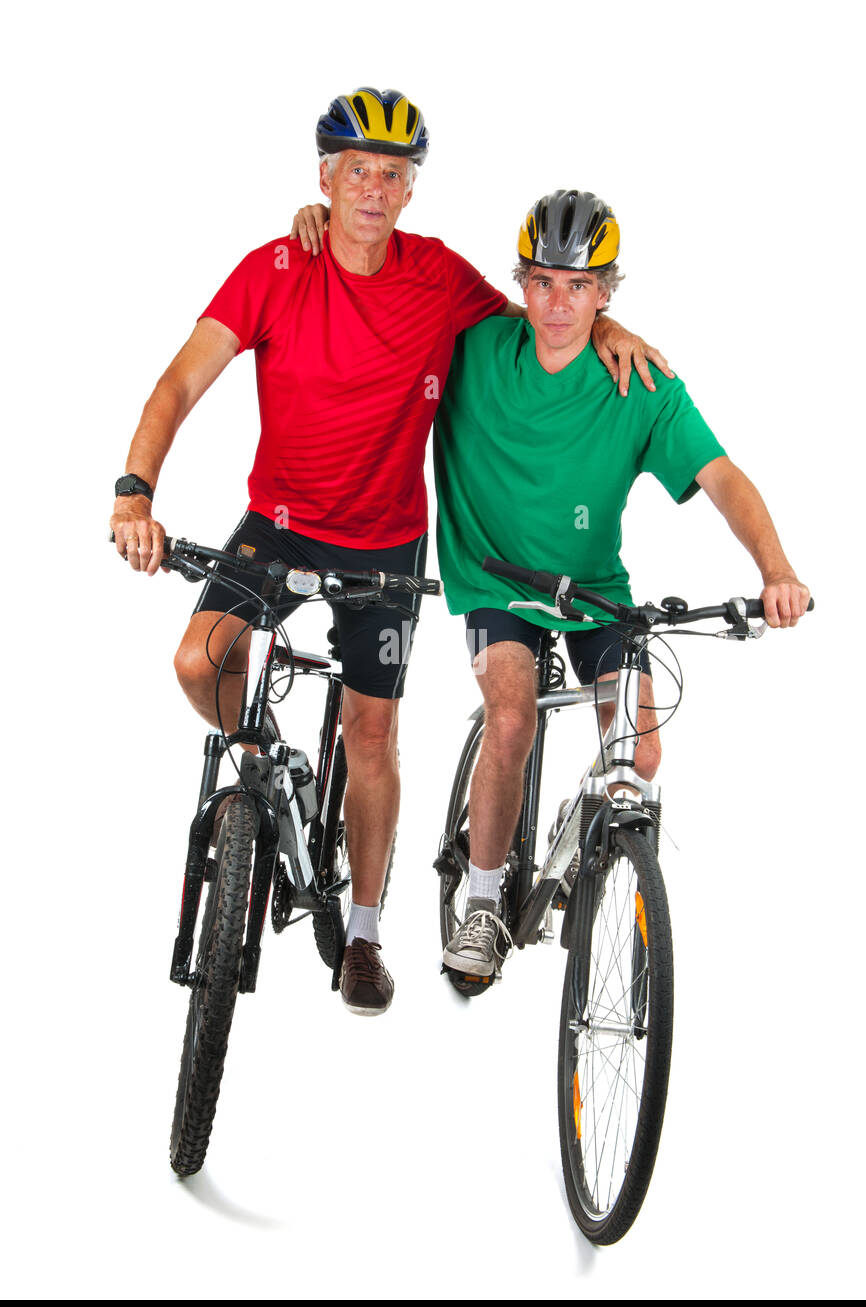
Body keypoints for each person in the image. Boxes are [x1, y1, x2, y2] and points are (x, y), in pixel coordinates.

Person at [109, 88, 663, 1017]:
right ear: (324, 176)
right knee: (198, 661)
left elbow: (539, 324)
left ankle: (362, 935)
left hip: (386, 536)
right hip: (278, 521)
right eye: (356, 169)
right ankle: (267, 766)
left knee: (371, 738)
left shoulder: (439, 278)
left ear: (412, 189)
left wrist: (602, 321)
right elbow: (180, 381)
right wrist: (136, 490)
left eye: (393, 173)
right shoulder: (276, 267)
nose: (374, 187)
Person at [432, 189, 810, 982]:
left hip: (591, 588)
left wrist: (774, 570)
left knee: (639, 748)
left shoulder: (638, 382)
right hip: (493, 579)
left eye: (580, 286)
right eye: (542, 282)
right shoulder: (474, 348)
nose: (559, 303)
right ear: (521, 283)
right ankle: (483, 903)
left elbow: (722, 475)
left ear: (608, 290)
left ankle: (589, 828)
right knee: (510, 720)